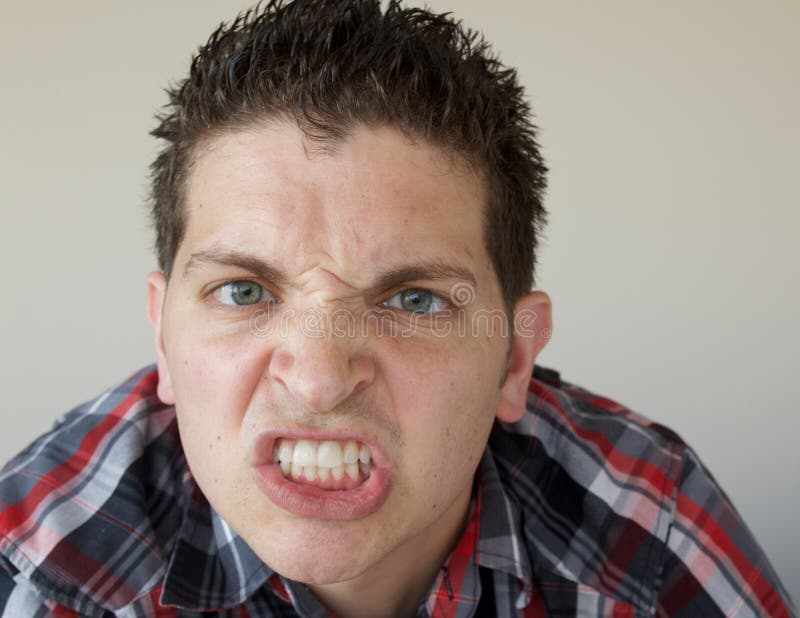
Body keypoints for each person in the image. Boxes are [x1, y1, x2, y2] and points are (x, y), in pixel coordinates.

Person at [0, 0, 794, 616]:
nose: (318, 379)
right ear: (165, 340)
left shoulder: (649, 536)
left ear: (515, 358)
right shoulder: (41, 570)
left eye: (413, 300)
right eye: (244, 291)